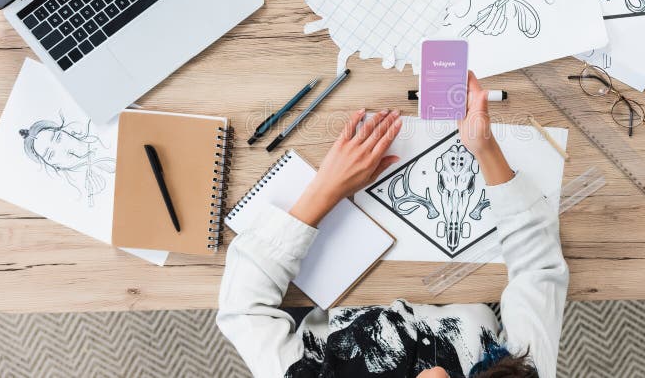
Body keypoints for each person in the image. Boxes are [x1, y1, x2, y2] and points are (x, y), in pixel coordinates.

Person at [217, 72, 569, 377]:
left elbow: (241, 310)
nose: (439, 374)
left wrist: (326, 189)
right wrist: (486, 149)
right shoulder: (523, 371)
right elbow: (539, 269)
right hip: (473, 290)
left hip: (334, 291)